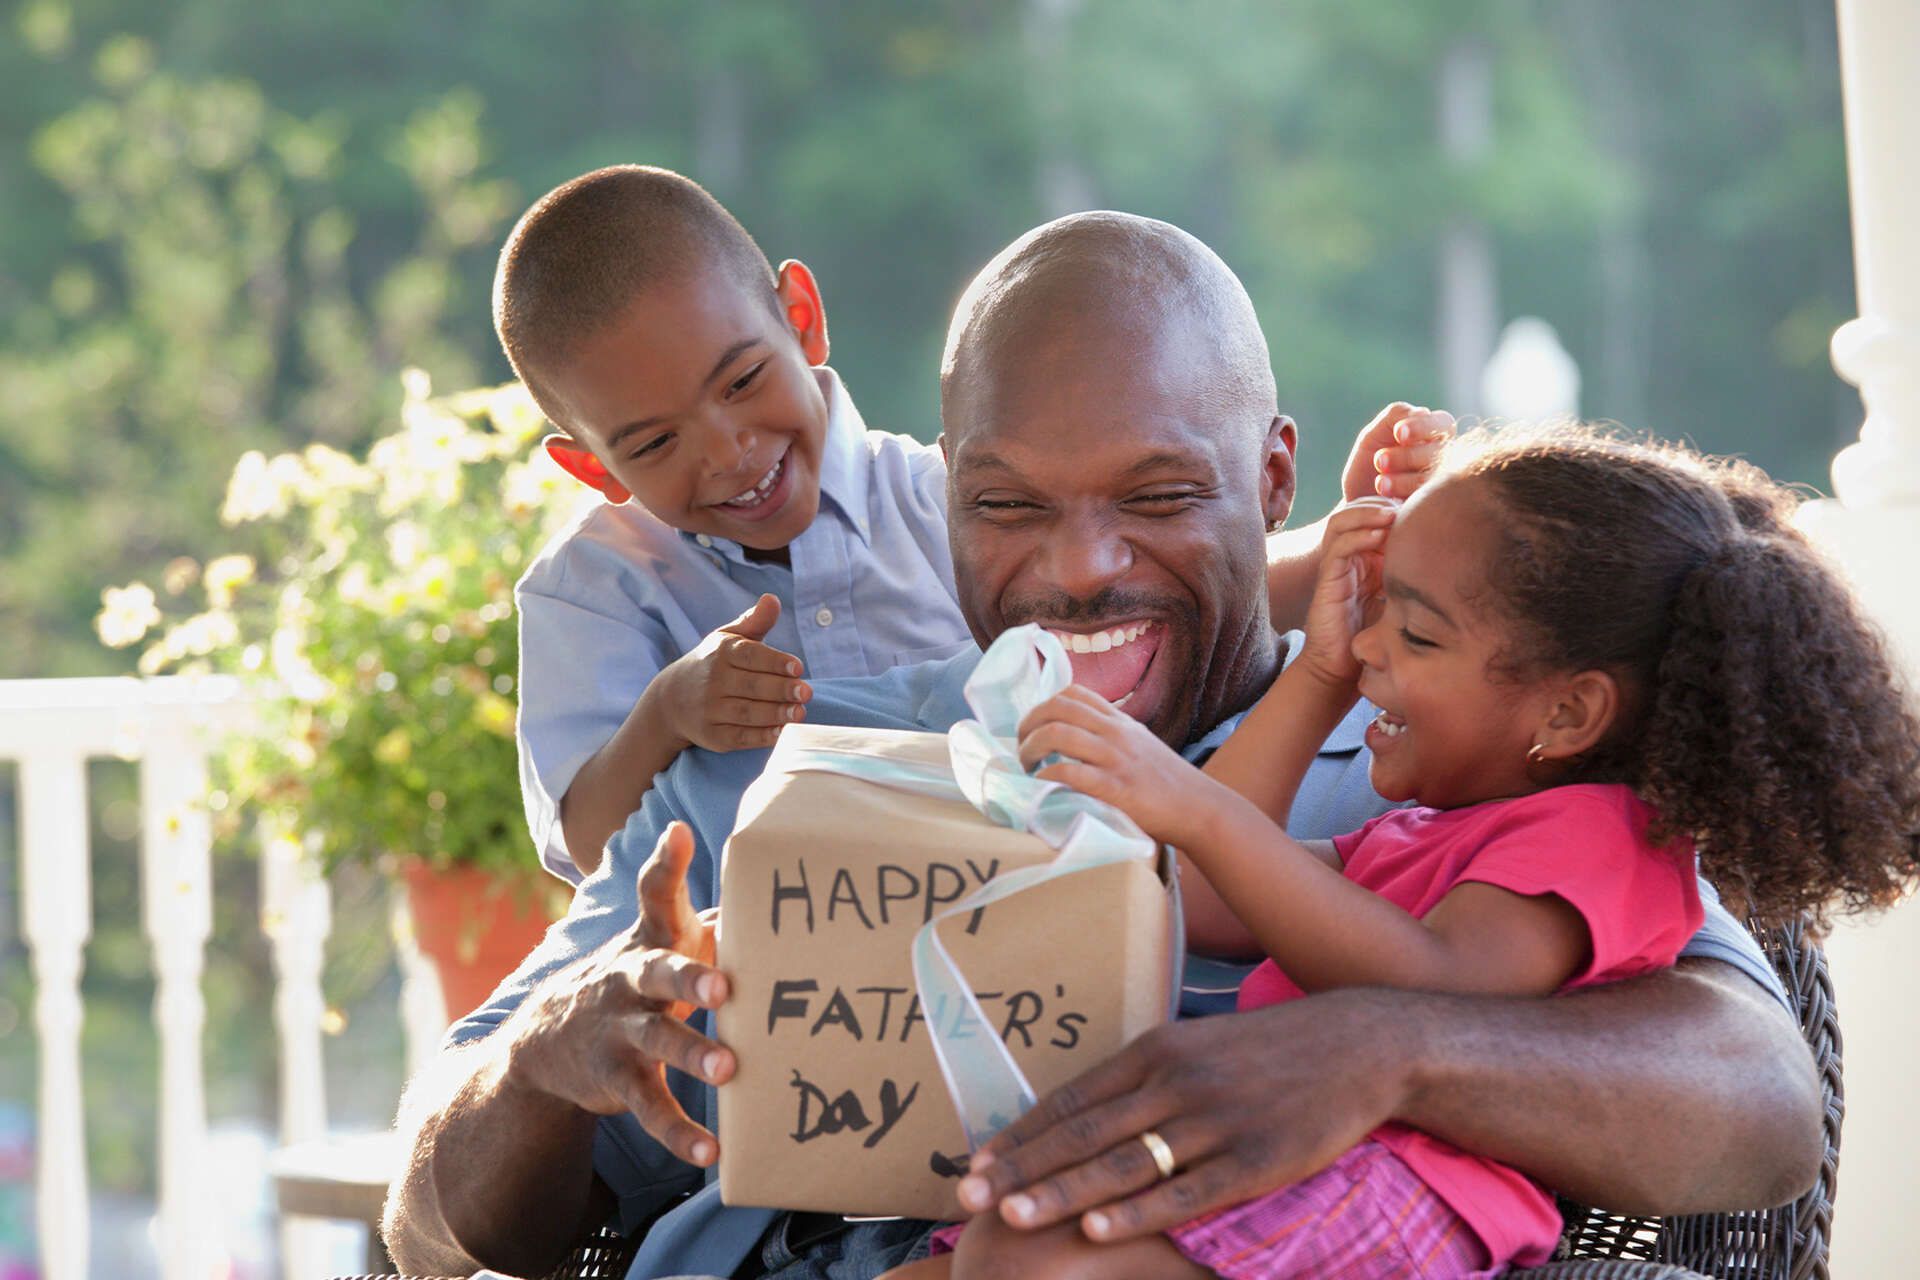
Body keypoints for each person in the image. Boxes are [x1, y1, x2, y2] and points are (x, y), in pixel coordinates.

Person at [382, 213, 1827, 1280]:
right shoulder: (775, 764)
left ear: (1272, 481)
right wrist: (552, 1066)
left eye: (1155, 494)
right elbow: (430, 1220)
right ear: (946, 500)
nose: (1081, 569)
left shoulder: (1439, 773)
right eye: (1007, 507)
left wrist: (1385, 1049)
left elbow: (1760, 1105)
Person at [887, 426, 1920, 1279]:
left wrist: (1196, 809)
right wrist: (1324, 674)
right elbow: (1211, 898)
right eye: (1376, 616)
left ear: (1566, 711)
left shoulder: (1596, 840)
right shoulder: (1427, 829)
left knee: (1038, 1257)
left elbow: (1434, 985)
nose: (1374, 642)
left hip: (1409, 1188)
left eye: (1415, 636)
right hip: (1317, 1163)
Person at [495, 165, 1447, 881]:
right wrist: (667, 717)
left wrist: (1362, 535)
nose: (729, 452)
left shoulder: (931, 496)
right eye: (655, 442)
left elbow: (1190, 591)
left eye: (743, 382)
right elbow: (588, 853)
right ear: (591, 468)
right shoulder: (601, 591)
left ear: (803, 317)